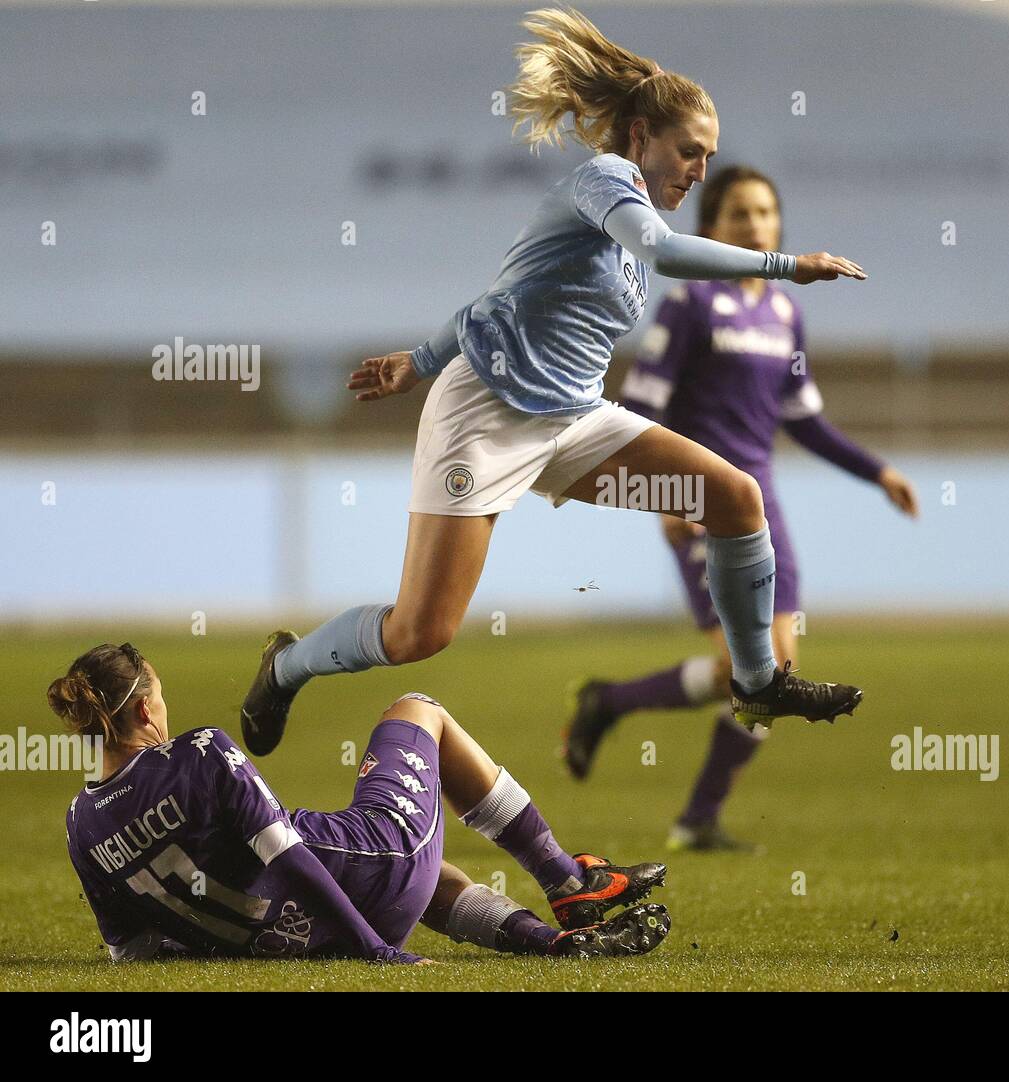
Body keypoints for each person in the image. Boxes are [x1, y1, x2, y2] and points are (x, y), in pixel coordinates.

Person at [240, 7, 869, 758]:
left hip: (573, 421)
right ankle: (285, 667)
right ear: (640, 138)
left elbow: (502, 298)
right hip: (487, 416)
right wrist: (787, 265)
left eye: (710, 157)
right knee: (419, 632)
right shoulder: (606, 182)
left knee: (735, 498)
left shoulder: (631, 230)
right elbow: (666, 252)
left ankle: (758, 680)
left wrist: (415, 359)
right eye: (690, 153)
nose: (700, 172)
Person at [563, 166, 919, 851]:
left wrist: (879, 472)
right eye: (739, 216)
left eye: (764, 213)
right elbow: (639, 409)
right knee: (754, 670)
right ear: (712, 229)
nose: (755, 225)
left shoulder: (786, 313)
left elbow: (803, 421)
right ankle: (675, 791)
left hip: (765, 510)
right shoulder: (690, 305)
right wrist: (663, 495)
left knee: (758, 673)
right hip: (703, 500)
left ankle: (632, 733)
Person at [53, 642, 670, 963]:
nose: (165, 707)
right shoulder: (201, 751)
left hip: (301, 930)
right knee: (418, 709)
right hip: (368, 876)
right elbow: (288, 854)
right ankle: (566, 879)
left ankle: (555, 944)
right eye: (160, 696)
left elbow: (131, 952)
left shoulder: (81, 824)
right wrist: (376, 952)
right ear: (142, 709)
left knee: (423, 880)